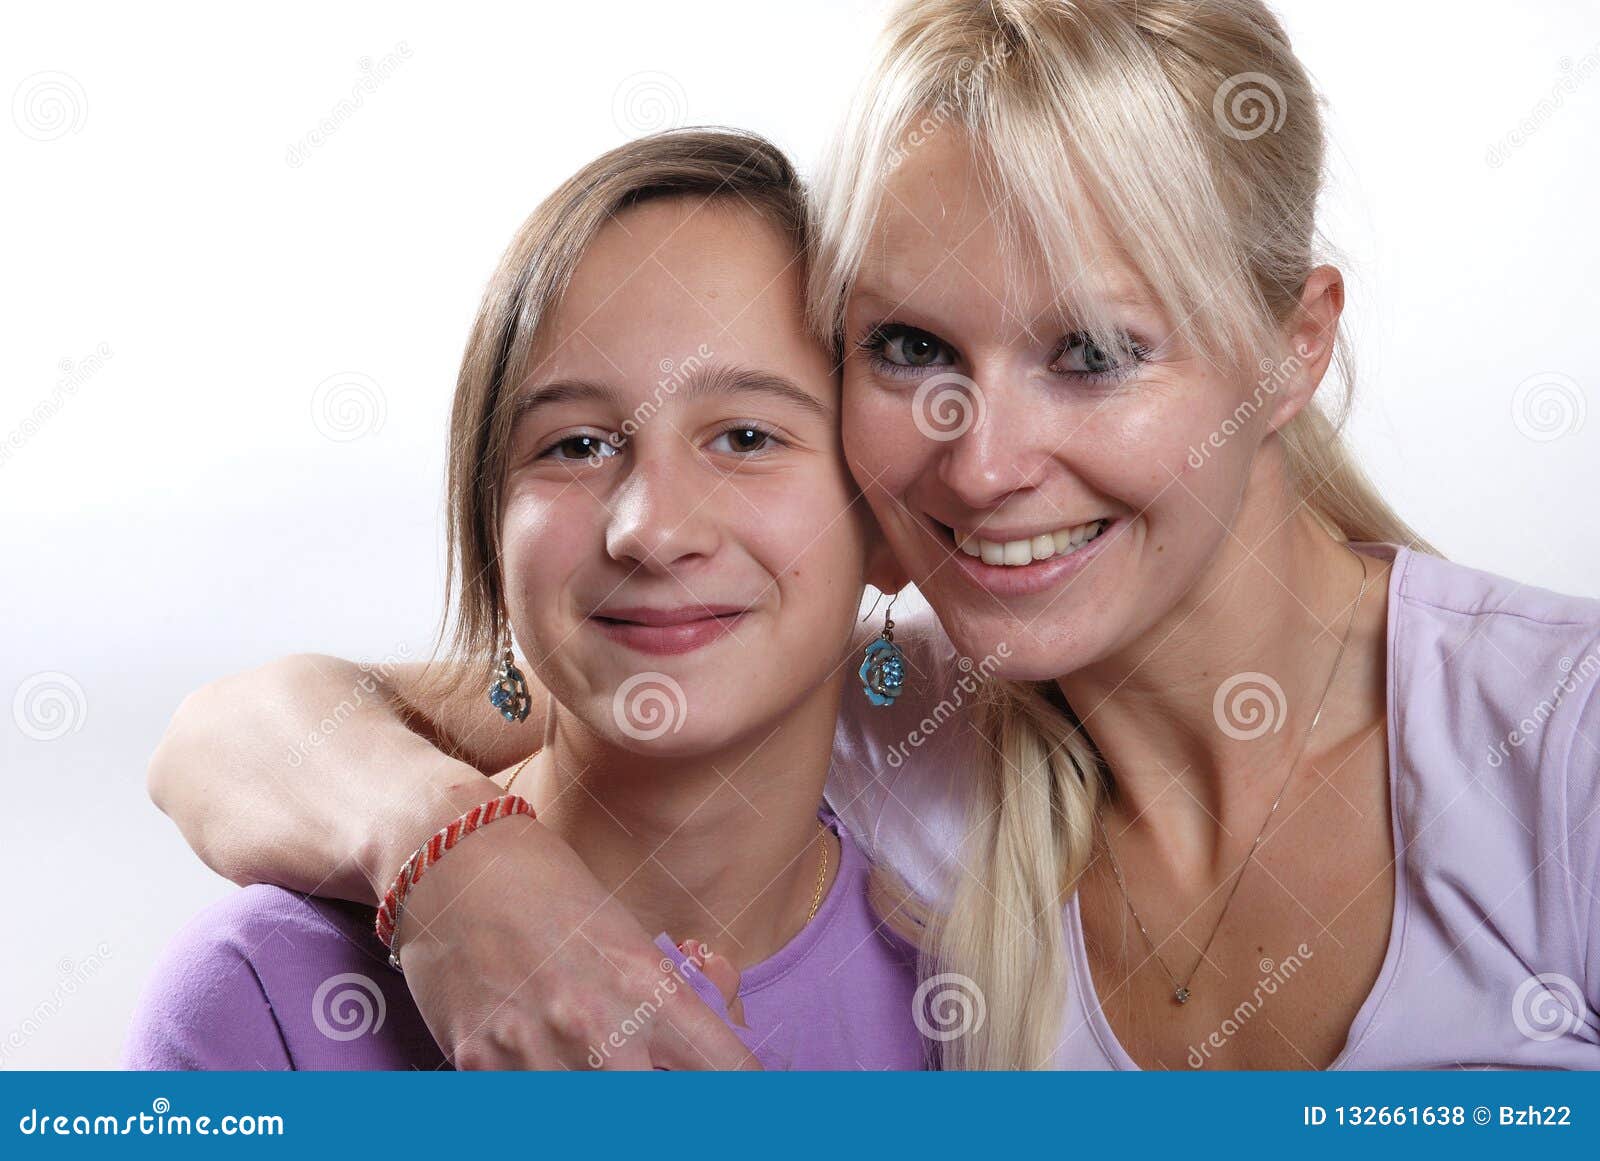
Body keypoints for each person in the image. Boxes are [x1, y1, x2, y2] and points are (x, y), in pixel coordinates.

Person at [145, 0, 1600, 1070]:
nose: (985, 461)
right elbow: (242, 728)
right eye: (909, 346)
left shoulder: (1557, 748)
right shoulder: (878, 714)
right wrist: (455, 862)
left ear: (1293, 346)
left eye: (1091, 352)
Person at [124, 129, 929, 1071]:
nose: (653, 529)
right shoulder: (261, 996)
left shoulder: (982, 995)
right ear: (490, 532)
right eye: (576, 445)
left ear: (883, 519)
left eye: (747, 436)